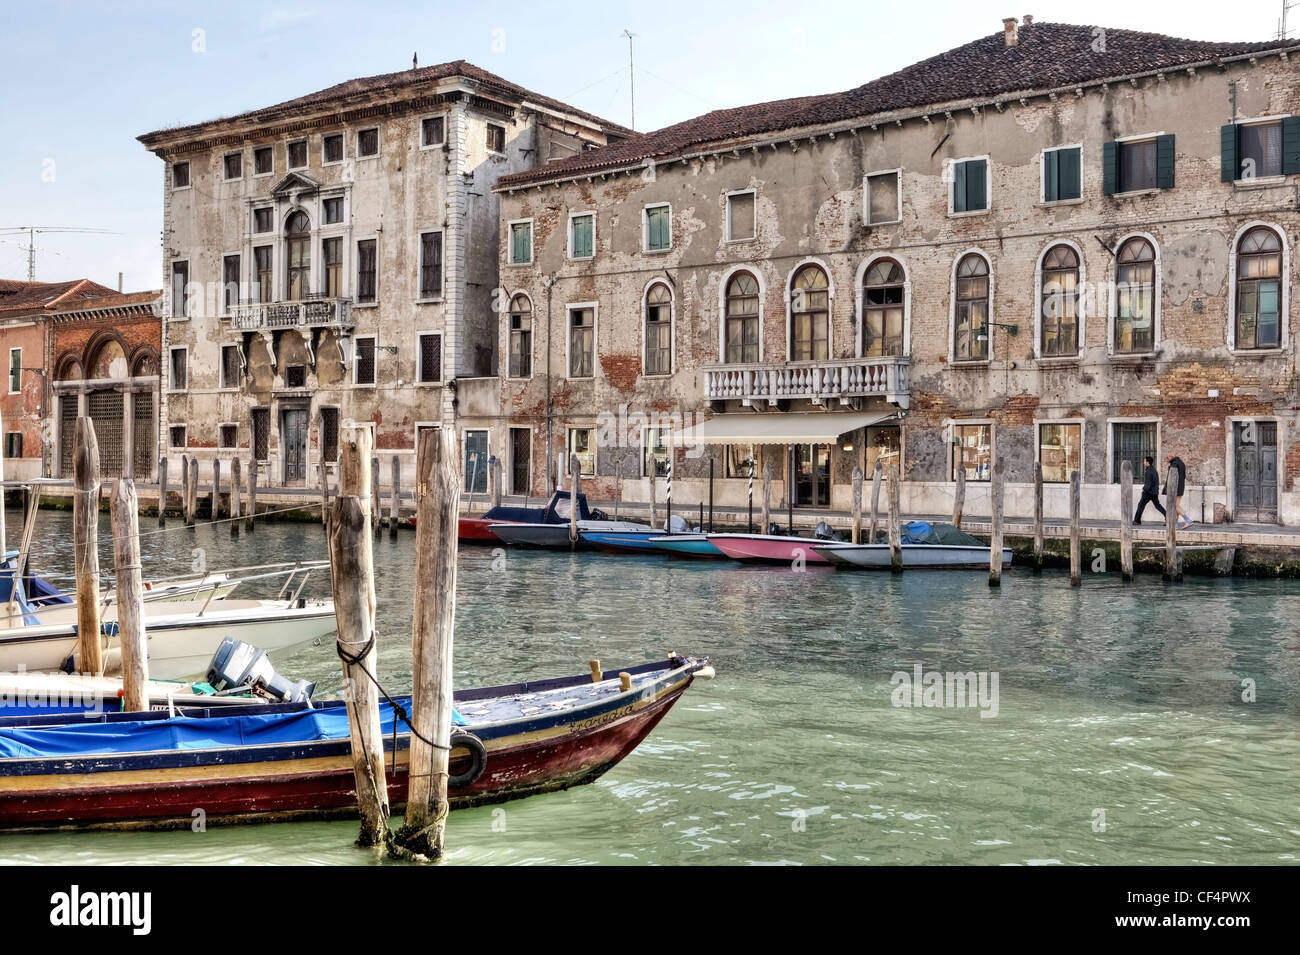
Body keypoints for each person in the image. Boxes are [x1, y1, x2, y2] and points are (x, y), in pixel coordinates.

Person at [1133, 455, 1165, 525]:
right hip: (1154, 492)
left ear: (1148, 462)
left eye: (1144, 461)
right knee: (1158, 506)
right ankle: (1168, 518)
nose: (1143, 462)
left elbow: (1148, 484)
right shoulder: (1154, 470)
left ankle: (1137, 521)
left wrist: (1144, 490)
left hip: (1148, 493)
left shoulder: (1148, 472)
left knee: (1140, 505)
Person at [1162, 453, 1192, 529]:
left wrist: (1168, 488)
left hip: (1175, 488)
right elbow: (1184, 476)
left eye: (1167, 458)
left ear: (1171, 457)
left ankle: (1187, 520)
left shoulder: (1174, 464)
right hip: (1180, 487)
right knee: (1176, 505)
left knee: (1175, 506)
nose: (1167, 459)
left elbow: (1171, 477)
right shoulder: (1181, 463)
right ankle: (1175, 525)